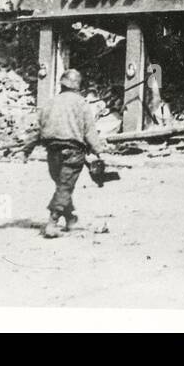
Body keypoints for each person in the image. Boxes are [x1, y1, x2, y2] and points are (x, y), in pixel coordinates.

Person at [27, 68, 104, 239]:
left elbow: (36, 129)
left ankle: (70, 219)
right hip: (73, 152)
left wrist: (26, 150)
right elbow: (89, 130)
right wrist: (98, 150)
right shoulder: (81, 103)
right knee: (64, 187)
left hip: (52, 152)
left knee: (62, 186)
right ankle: (52, 223)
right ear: (77, 85)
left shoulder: (50, 102)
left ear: (61, 84)